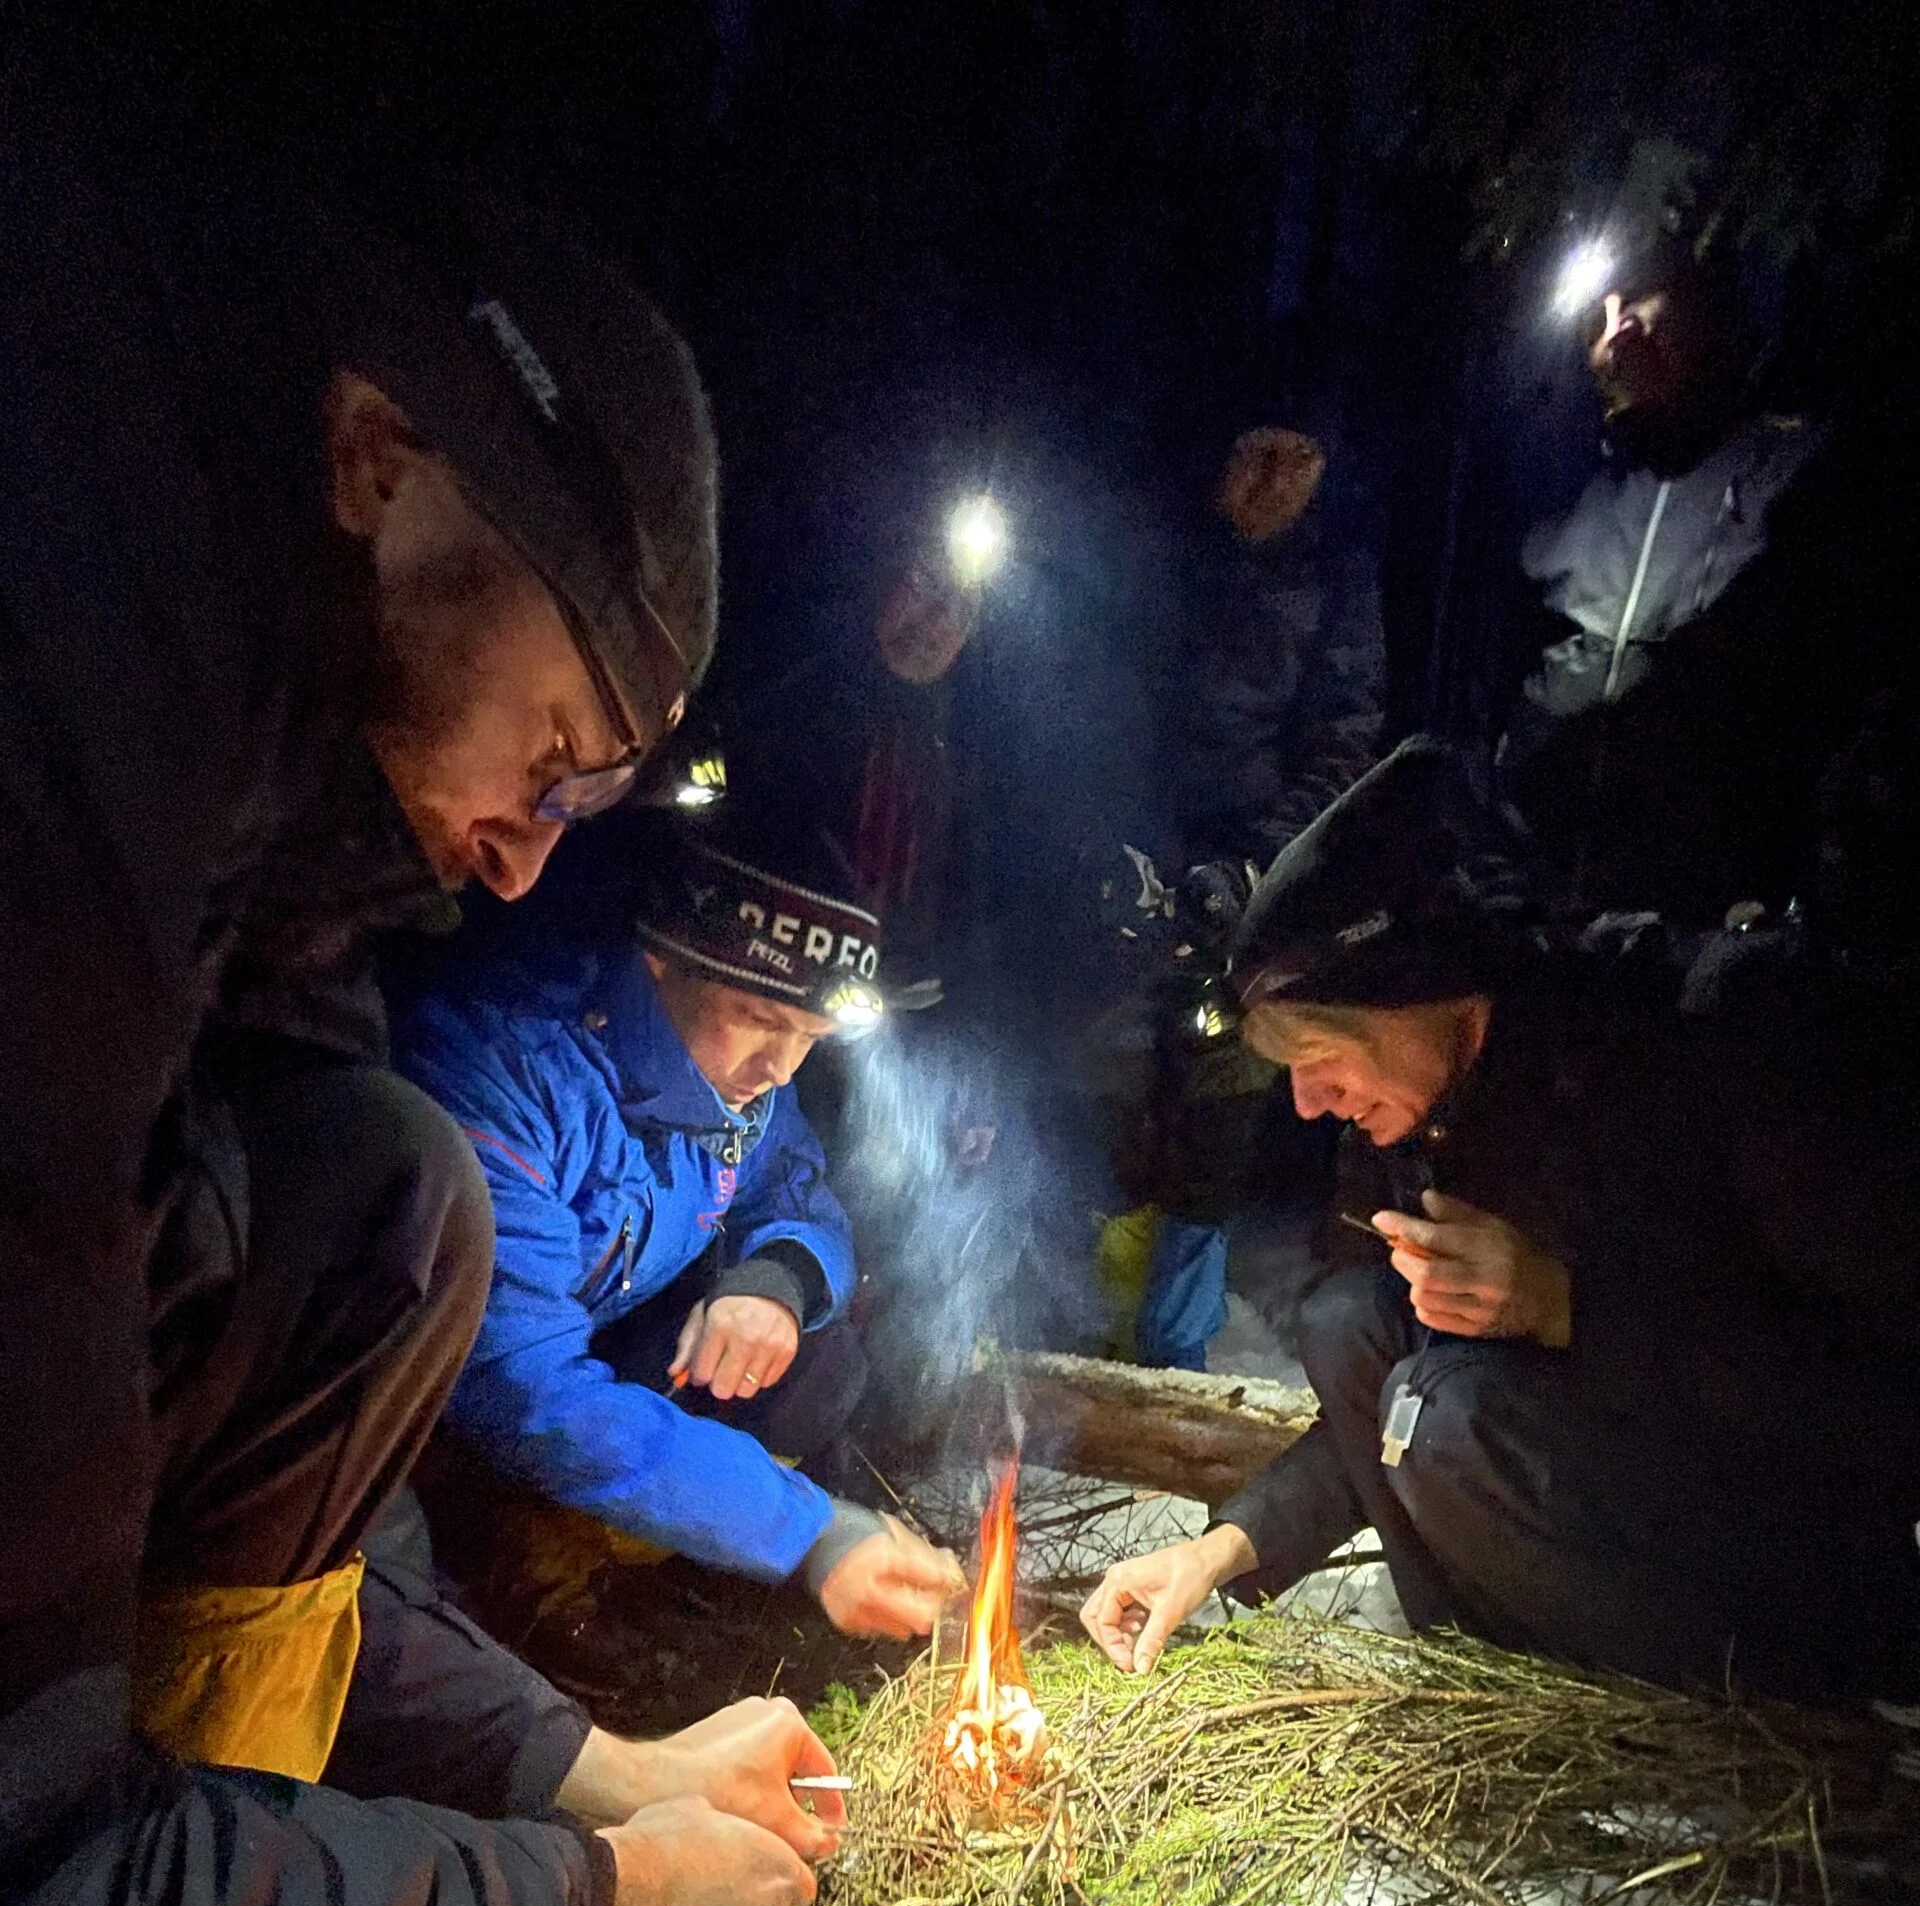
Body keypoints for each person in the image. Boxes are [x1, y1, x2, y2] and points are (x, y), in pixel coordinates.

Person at [0, 55, 1054, 1906]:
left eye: (598, 791)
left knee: (358, 1196)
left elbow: (764, 1194)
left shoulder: (237, 914)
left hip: (126, 1813)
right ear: (378, 457)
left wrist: (583, 1761)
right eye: (562, 750)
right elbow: (500, 1381)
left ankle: (238, 1882)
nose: (530, 842)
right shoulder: (118, 861)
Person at [1081, 740, 1920, 1709]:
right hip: (1600, 1484)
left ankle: (1691, 1702)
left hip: (1788, 1563)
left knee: (1443, 1418)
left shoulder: (1690, 1040)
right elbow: (1369, 1423)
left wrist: (1566, 1306)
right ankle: (1499, 1679)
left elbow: (1868, 1399)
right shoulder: (1428, 1117)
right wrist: (1218, 1551)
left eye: (1320, 1052)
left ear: (1411, 994)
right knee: (1348, 1324)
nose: (1306, 1104)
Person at [391, 798, 966, 1635]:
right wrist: (804, 1530)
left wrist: (775, 1282)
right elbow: (522, 1386)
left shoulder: (740, 1087)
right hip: (416, 1404)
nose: (780, 1067)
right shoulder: (504, 1070)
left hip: (582, 1351)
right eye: (762, 1021)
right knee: (413, 1582)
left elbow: (800, 1198)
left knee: (819, 1363)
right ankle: (497, 1583)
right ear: (661, 962)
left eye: (810, 1035)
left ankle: (609, 1564)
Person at [1499, 204, 1906, 930]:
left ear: (1709, 313)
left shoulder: (1799, 480)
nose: (1616, 328)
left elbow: (1839, 709)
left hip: (1703, 937)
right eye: (1600, 312)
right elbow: (1499, 699)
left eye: (1642, 300)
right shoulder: (1561, 496)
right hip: (1546, 920)